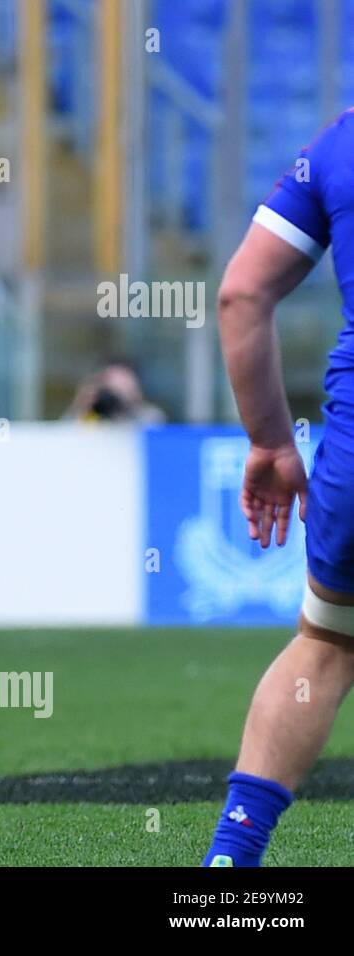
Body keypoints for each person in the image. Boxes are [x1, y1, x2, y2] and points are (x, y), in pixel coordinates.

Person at [202, 107, 354, 866]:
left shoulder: (339, 142)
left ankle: (231, 862)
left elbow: (240, 294)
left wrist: (269, 440)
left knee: (327, 642)